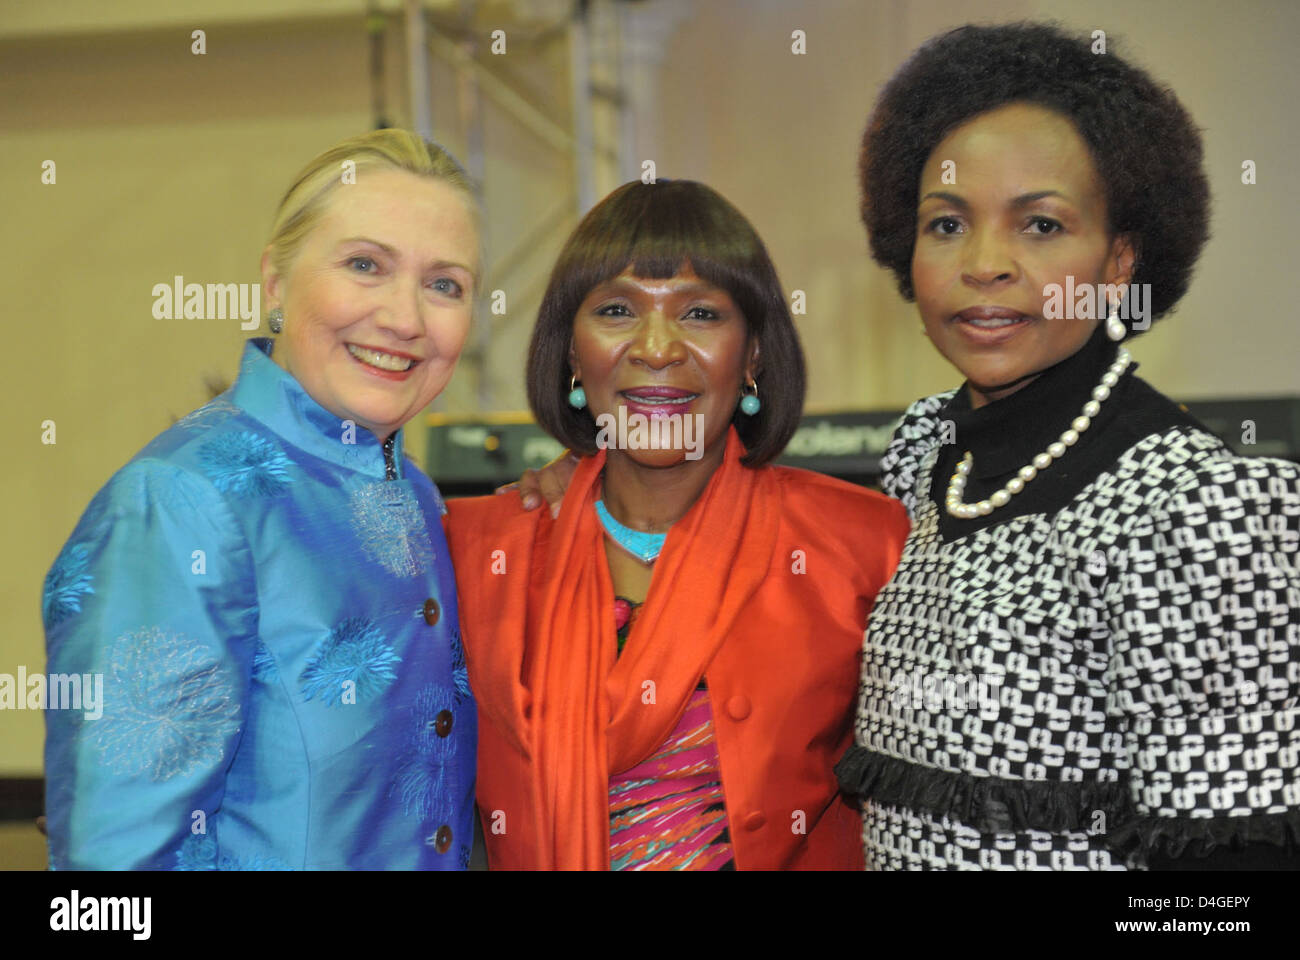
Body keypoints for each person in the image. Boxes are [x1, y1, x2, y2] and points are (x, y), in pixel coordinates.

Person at [830, 22, 1300, 870]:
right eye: (946, 225)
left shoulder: (1199, 508)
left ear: (1120, 260)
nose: (985, 264)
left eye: (1040, 226)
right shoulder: (924, 454)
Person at [42, 129, 481, 870]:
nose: (406, 318)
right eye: (365, 265)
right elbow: (113, 865)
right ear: (275, 285)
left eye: (444, 284)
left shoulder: (416, 495)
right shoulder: (180, 502)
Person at [444, 179, 909, 869]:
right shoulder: (475, 550)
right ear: (572, 353)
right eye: (616, 310)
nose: (657, 348)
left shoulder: (864, 544)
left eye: (699, 312)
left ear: (752, 353)